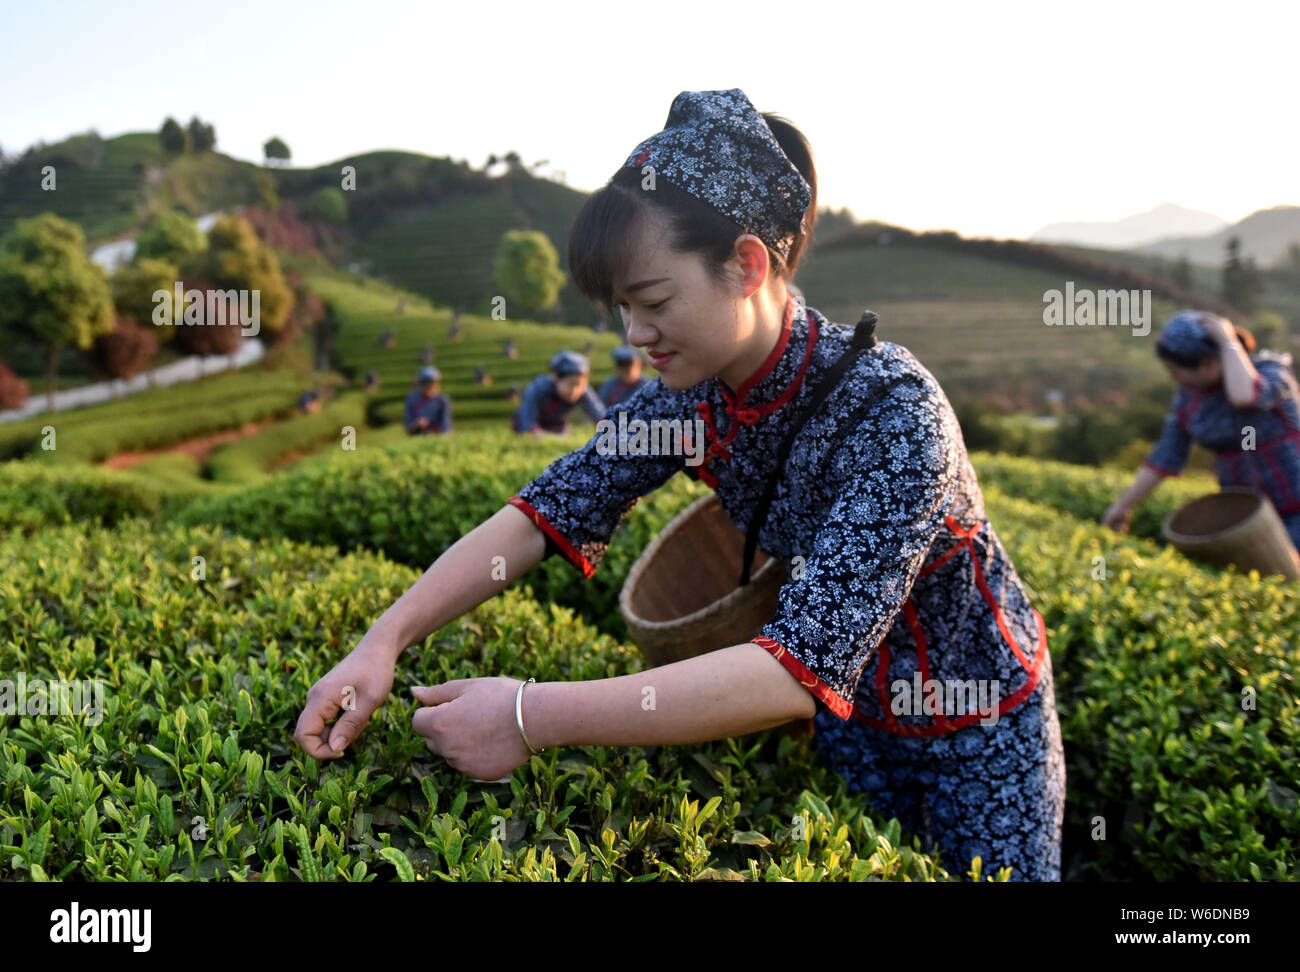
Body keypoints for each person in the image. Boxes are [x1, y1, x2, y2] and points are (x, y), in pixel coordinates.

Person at [295, 88, 1065, 882]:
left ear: (747, 264)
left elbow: (793, 669)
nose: (635, 335)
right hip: (854, 718)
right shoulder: (690, 396)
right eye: (622, 308)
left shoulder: (893, 412)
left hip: (975, 720)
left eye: (654, 301)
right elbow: (541, 512)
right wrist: (382, 642)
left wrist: (529, 715)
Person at [1103, 310, 1300, 563]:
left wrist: (1226, 341)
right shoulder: (1189, 399)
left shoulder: (1270, 372)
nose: (1174, 378)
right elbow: (1165, 457)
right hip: (1246, 520)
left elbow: (1245, 396)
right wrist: (1123, 506)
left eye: (1176, 371)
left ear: (1206, 364)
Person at [510, 350, 606, 435]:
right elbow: (526, 423)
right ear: (555, 377)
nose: (575, 391)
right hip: (529, 426)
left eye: (580, 385)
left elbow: (600, 415)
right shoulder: (538, 389)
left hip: (558, 426)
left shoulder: (584, 391)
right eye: (570, 384)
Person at [404, 365, 452, 435]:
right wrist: (417, 424)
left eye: (433, 383)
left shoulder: (442, 400)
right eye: (426, 383)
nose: (429, 386)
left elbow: (446, 427)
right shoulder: (412, 400)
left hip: (437, 437)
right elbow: (408, 428)